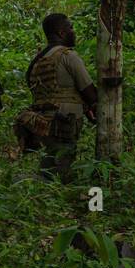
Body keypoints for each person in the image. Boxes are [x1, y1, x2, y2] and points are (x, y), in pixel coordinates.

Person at [14, 13, 97, 181]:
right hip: (63, 124)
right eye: (71, 28)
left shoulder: (38, 60)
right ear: (61, 33)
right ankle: (19, 182)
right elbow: (91, 93)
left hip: (42, 124)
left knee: (51, 166)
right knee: (57, 176)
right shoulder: (68, 56)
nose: (74, 32)